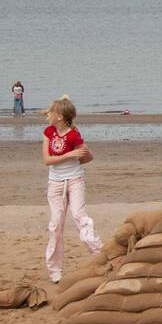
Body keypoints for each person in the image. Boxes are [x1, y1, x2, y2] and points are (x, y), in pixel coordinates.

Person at [42, 95, 103, 283]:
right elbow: (47, 160)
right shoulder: (49, 132)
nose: (48, 115)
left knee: (79, 216)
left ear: (60, 116)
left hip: (75, 180)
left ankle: (99, 253)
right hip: (55, 183)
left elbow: (88, 157)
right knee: (55, 224)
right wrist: (70, 155)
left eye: (51, 112)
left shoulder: (74, 135)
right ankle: (54, 270)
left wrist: (76, 157)